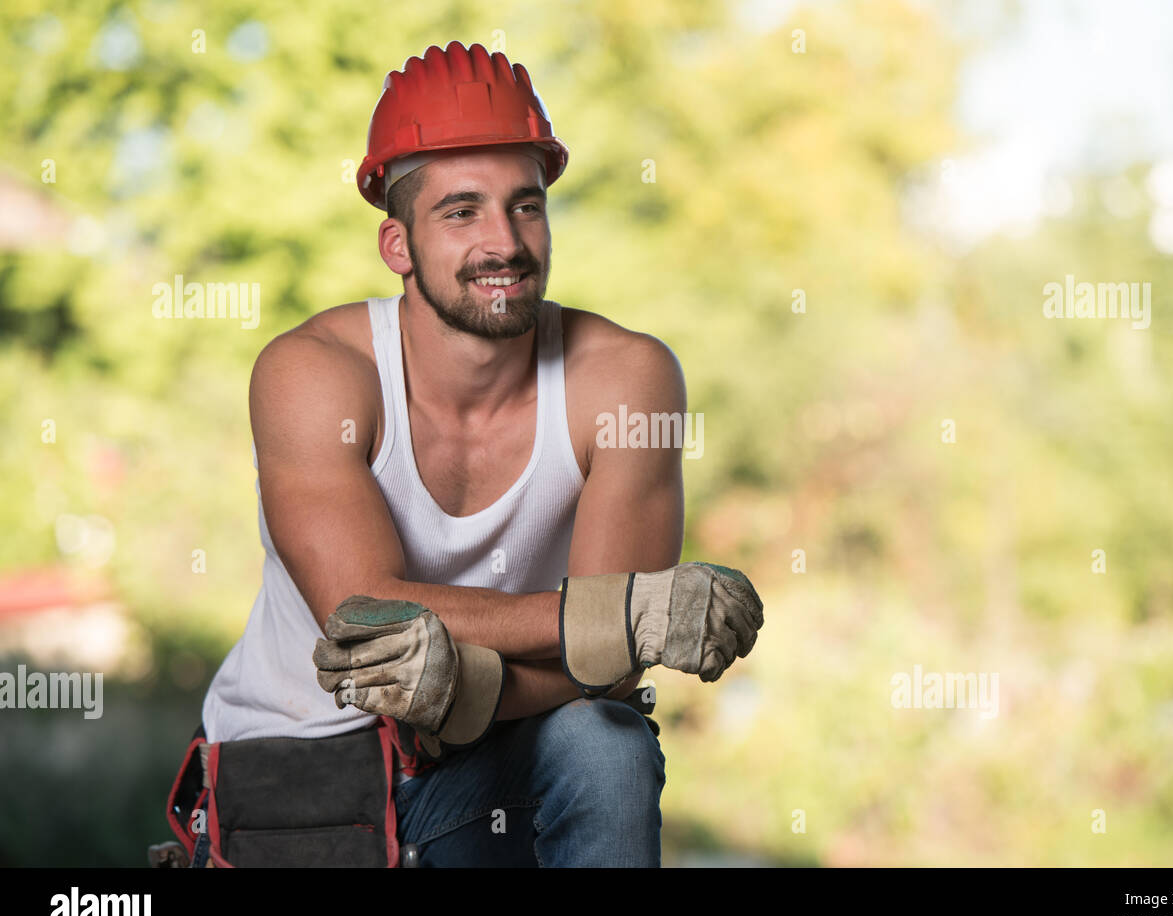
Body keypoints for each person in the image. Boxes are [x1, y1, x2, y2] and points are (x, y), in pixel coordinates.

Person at [189, 41, 763, 868]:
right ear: (397, 244)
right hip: (303, 778)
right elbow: (369, 618)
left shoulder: (628, 379)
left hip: (486, 765)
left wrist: (472, 691)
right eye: (462, 212)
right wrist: (621, 613)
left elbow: (606, 670)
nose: (504, 242)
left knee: (607, 742)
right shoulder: (312, 374)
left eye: (525, 206)